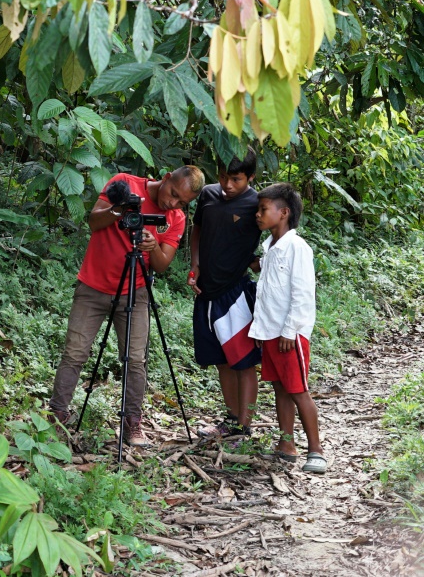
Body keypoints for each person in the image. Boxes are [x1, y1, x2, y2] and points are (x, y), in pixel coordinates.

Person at [50, 166, 205, 447]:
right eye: (172, 194)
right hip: (93, 287)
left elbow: (162, 264)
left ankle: (133, 423)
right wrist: (118, 211)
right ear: (167, 177)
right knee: (74, 353)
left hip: (136, 291)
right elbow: (93, 222)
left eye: (181, 202)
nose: (172, 203)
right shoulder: (124, 183)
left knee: (135, 359)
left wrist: (152, 247)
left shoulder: (176, 219)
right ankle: (56, 417)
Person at [248, 183, 326, 474]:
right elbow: (268, 293)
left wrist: (290, 330)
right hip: (270, 332)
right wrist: (262, 330)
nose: (257, 214)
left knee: (298, 390)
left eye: (263, 209)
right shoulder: (269, 247)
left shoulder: (297, 247)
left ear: (284, 213)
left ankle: (316, 450)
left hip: (288, 335)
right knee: (280, 388)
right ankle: (286, 445)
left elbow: (302, 293)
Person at [188, 147, 262, 439]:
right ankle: (231, 420)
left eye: (236, 179)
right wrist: (195, 264)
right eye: (222, 177)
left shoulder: (257, 203)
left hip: (235, 293)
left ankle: (245, 427)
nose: (228, 185)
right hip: (207, 292)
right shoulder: (207, 194)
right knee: (222, 360)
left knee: (242, 362)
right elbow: (198, 230)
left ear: (251, 177)